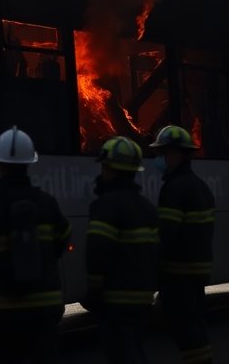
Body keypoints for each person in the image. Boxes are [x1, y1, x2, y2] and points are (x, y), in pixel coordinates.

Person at [0, 126, 72, 363]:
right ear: (29, 163)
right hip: (45, 310)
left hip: (3, 313)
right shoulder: (47, 203)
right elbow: (64, 237)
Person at [86, 135, 160, 364]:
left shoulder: (105, 206)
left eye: (105, 167)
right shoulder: (147, 207)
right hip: (143, 297)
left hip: (115, 297)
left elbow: (97, 252)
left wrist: (94, 290)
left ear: (111, 169)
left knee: (121, 353)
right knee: (134, 347)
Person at [149, 125, 215, 364]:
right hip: (197, 270)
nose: (159, 158)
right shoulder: (200, 186)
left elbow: (166, 234)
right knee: (194, 324)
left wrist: (154, 272)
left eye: (163, 153)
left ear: (179, 154)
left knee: (184, 327)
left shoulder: (174, 188)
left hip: (179, 273)